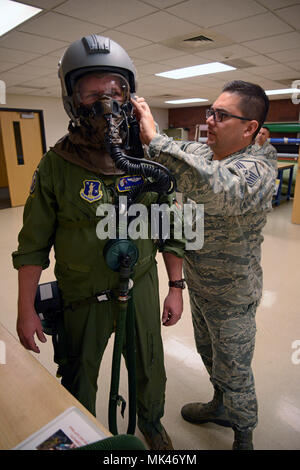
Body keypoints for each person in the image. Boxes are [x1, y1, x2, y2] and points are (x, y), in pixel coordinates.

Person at [12, 35, 186, 451]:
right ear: (72, 99)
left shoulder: (149, 160)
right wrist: (24, 310)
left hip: (140, 283)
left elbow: (170, 226)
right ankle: (82, 435)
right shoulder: (56, 165)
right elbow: (32, 245)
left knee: (148, 362)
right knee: (78, 372)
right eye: (92, 92)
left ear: (130, 95)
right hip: (82, 291)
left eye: (116, 89)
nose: (106, 100)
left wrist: (176, 287)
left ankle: (152, 422)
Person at [132, 80, 277, 450]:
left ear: (250, 128)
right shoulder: (205, 150)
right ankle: (220, 405)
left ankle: (243, 433)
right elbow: (178, 152)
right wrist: (145, 126)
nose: (210, 121)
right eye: (210, 112)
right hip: (200, 285)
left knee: (236, 370)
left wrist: (157, 142)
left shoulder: (256, 169)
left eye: (222, 115)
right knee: (209, 354)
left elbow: (218, 189)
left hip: (232, 295)